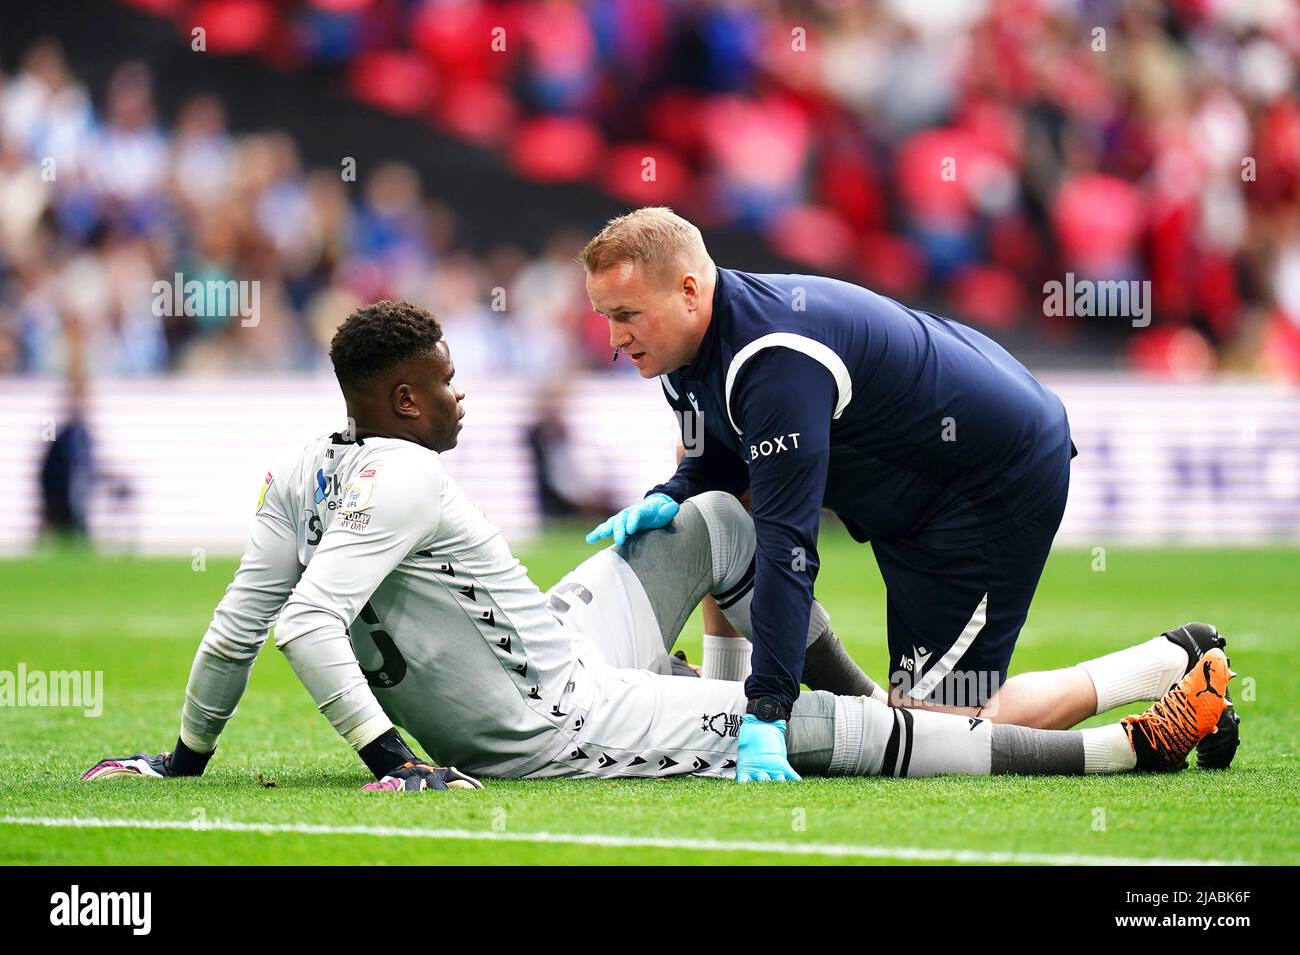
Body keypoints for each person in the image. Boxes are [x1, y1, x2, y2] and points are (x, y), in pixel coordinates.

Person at [83, 301, 1232, 791]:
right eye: (443, 382)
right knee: (849, 732)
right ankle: (1138, 734)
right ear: (401, 398)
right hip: (561, 719)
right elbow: (301, 623)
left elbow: (242, 625)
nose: (461, 395)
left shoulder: (298, 468)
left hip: (558, 639)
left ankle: (740, 696)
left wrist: (182, 759)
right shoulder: (412, 471)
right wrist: (395, 763)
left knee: (708, 520)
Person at [581, 207, 1239, 782]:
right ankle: (721, 692)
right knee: (718, 506)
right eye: (606, 317)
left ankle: (1163, 662)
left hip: (987, 484)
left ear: (691, 291)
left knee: (933, 729)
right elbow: (714, 461)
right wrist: (679, 489)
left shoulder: (774, 360)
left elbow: (787, 545)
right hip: (922, 478)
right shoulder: (685, 352)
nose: (614, 339)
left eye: (626, 315)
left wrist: (767, 712)